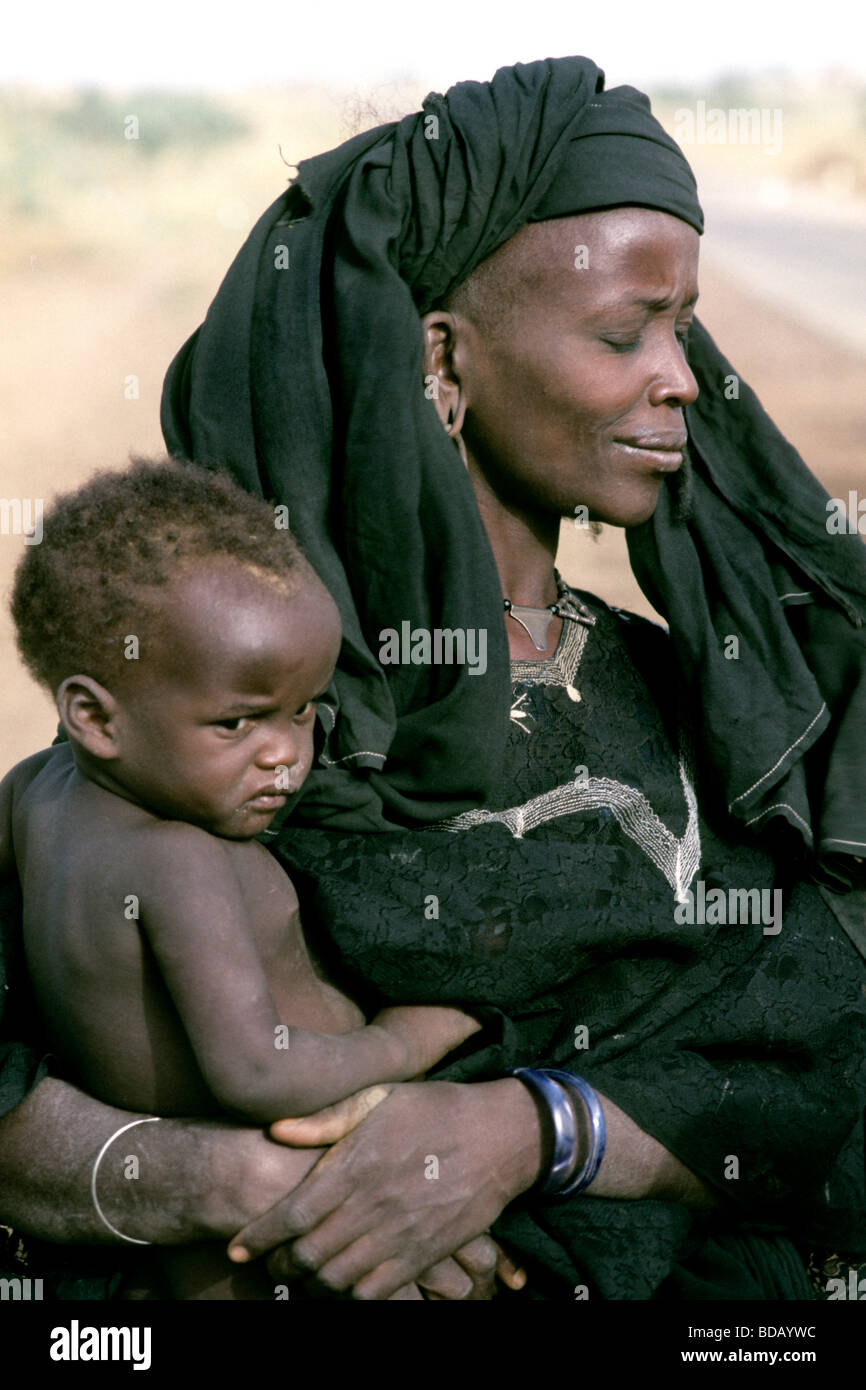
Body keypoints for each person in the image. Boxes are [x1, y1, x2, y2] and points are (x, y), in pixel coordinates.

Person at [2, 55, 866, 1302]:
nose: (680, 377)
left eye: (681, 328)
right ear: (441, 365)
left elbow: (820, 1064)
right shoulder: (219, 722)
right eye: (626, 332)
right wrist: (234, 1185)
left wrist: (526, 1133)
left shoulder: (711, 715)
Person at [2, 457, 490, 1298]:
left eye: (303, 709)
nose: (286, 755)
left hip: (179, 1230)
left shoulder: (29, 795)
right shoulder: (176, 860)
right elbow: (257, 1071)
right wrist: (408, 1038)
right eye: (238, 721)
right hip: (275, 1208)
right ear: (93, 716)